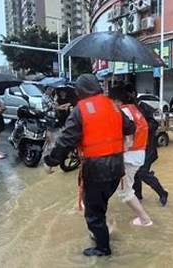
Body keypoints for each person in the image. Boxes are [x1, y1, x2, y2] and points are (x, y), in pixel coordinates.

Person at [44, 74, 135, 257]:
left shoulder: (80, 110)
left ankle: (103, 248)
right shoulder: (113, 105)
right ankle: (102, 234)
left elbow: (66, 141)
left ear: (80, 91)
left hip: (96, 170)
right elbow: (130, 127)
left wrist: (50, 161)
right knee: (100, 205)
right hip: (117, 169)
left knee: (93, 212)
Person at [109, 86, 153, 226]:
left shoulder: (122, 112)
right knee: (116, 185)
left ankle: (145, 219)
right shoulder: (134, 109)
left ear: (116, 100)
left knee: (125, 192)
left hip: (128, 157)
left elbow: (124, 135)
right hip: (138, 154)